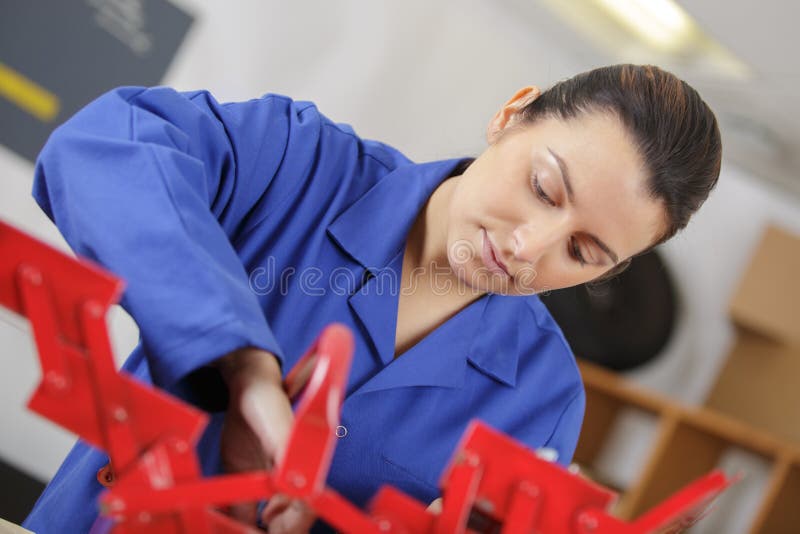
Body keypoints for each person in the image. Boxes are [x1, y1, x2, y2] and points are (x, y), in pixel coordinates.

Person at [23, 64, 721, 533]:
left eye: (583, 252)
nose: (528, 247)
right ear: (511, 116)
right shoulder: (296, 166)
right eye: (543, 188)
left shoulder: (542, 398)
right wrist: (240, 362)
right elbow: (102, 146)